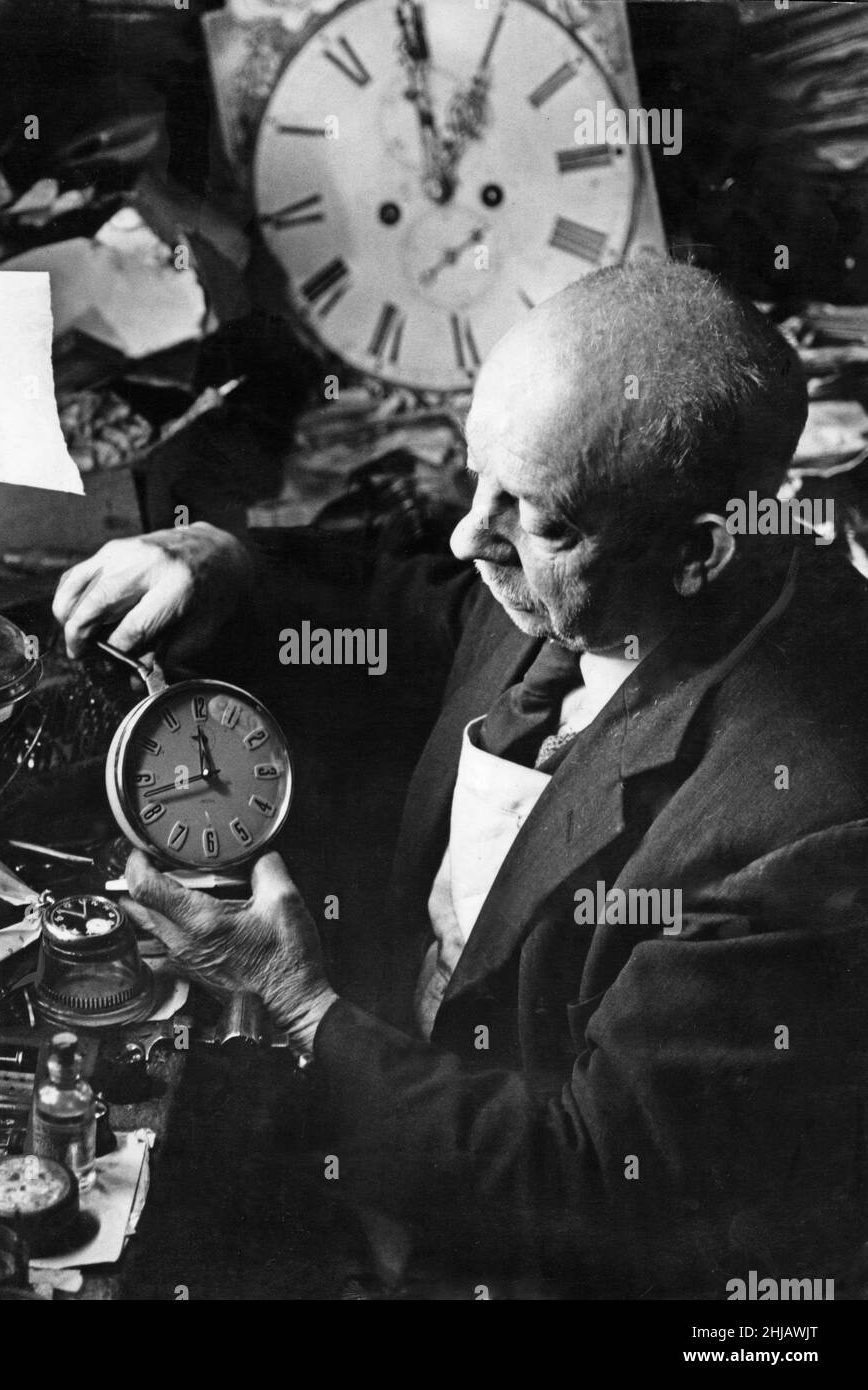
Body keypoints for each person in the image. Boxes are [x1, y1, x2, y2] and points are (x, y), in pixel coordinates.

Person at [53, 260, 868, 1298]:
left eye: (531, 517)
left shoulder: (815, 824)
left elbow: (594, 1181)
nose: (465, 533)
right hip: (399, 1115)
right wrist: (224, 560)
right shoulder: (583, 565)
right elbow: (419, 600)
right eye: (474, 478)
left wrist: (300, 1008)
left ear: (701, 551)